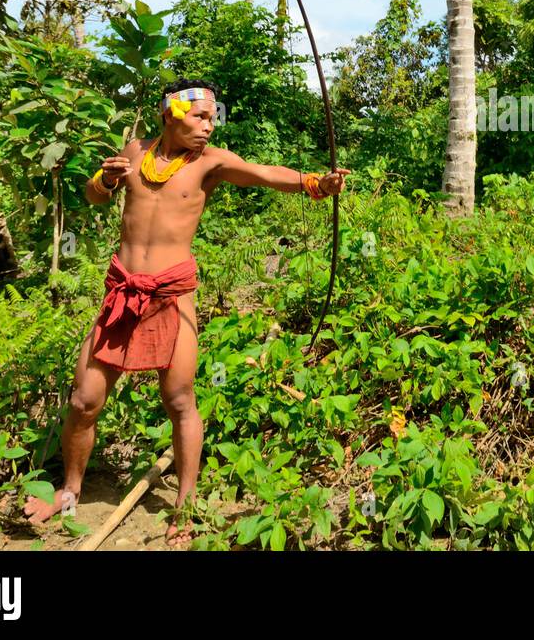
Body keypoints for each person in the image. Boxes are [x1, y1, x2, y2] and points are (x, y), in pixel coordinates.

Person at [22, 79, 350, 547]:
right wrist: (107, 179)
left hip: (172, 293)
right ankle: (70, 491)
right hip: (123, 292)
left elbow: (263, 173)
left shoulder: (210, 164)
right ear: (171, 114)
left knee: (179, 399)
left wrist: (316, 182)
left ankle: (186, 505)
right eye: (201, 117)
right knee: (84, 399)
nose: (208, 127)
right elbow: (95, 195)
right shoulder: (135, 150)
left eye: (212, 118)